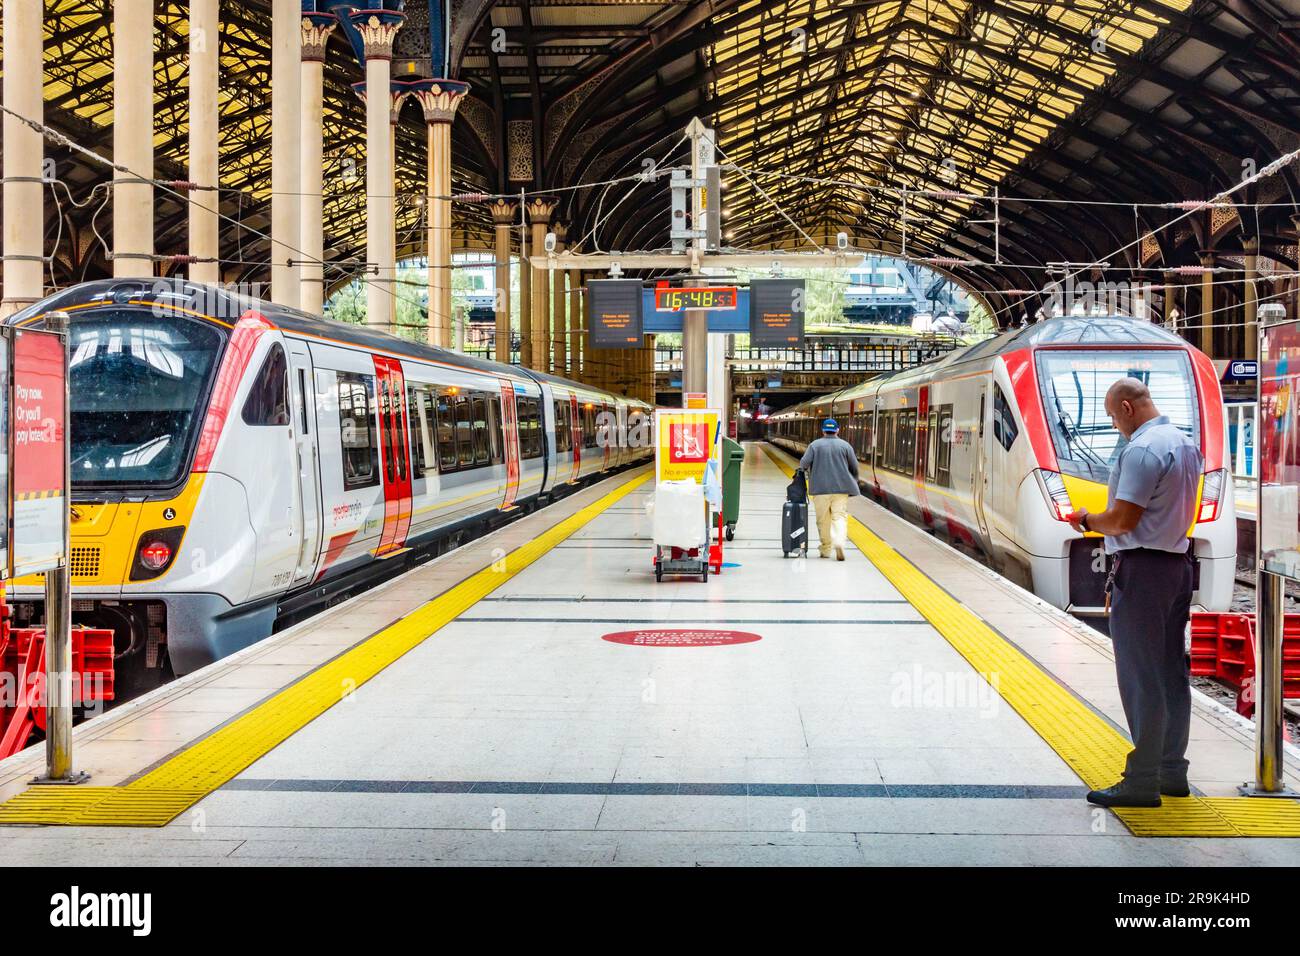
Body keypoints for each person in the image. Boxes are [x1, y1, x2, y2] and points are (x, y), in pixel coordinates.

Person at [1067, 378, 1202, 808]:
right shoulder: (1184, 444)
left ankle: (1142, 779)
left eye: (1110, 416)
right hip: (1177, 567)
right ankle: (1170, 771)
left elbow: (1122, 520)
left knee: (1141, 675)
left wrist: (1088, 519)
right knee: (1170, 673)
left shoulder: (1141, 450)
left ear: (1126, 407)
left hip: (1142, 572)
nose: (1113, 424)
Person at [799, 418, 860, 560]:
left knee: (823, 520)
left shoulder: (815, 445)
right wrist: (853, 481)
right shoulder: (845, 446)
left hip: (820, 489)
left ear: (823, 430)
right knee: (839, 516)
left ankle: (826, 549)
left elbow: (803, 463)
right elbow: (854, 466)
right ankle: (839, 542)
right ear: (837, 430)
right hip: (841, 488)